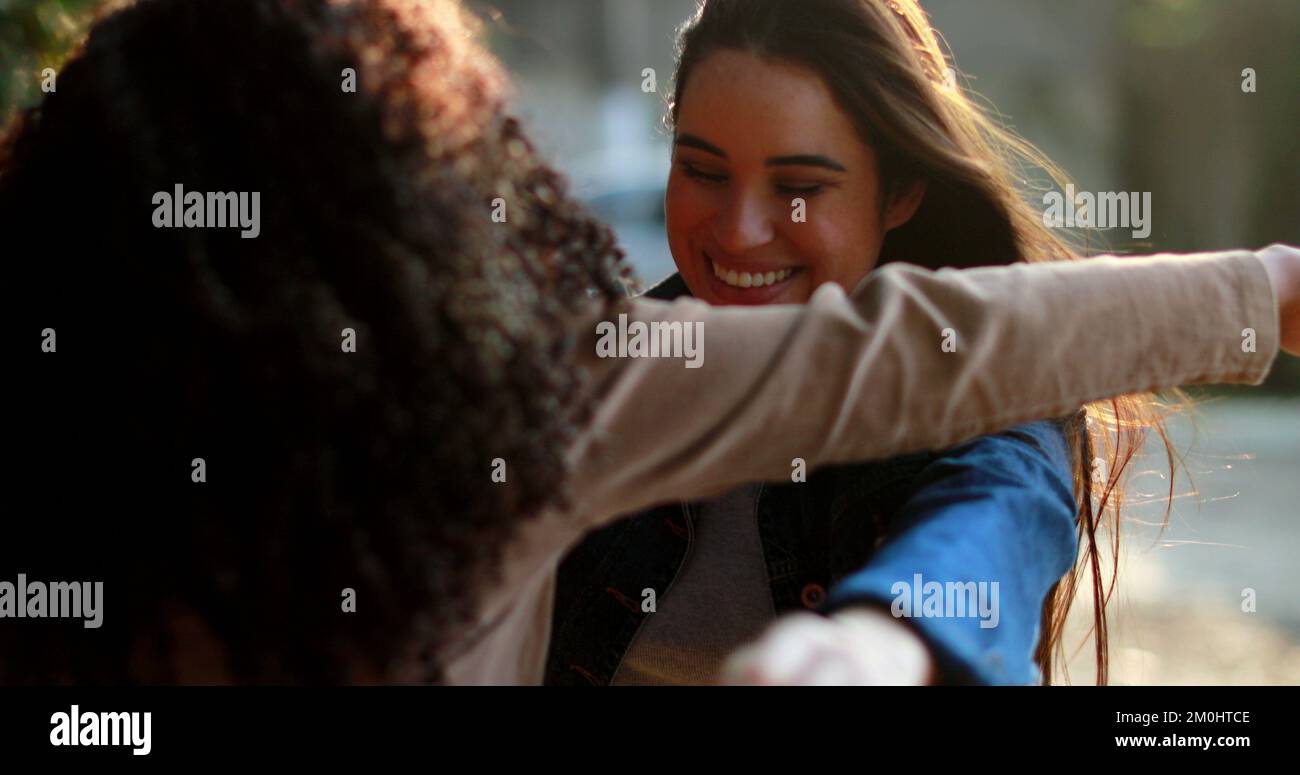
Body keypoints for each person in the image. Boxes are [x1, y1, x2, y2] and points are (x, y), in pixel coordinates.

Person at [0, 0, 1293, 685]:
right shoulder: (546, 391)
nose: (740, 230)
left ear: (897, 192)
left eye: (798, 184)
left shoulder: (539, 396)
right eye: (699, 167)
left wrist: (878, 643)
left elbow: (963, 433)